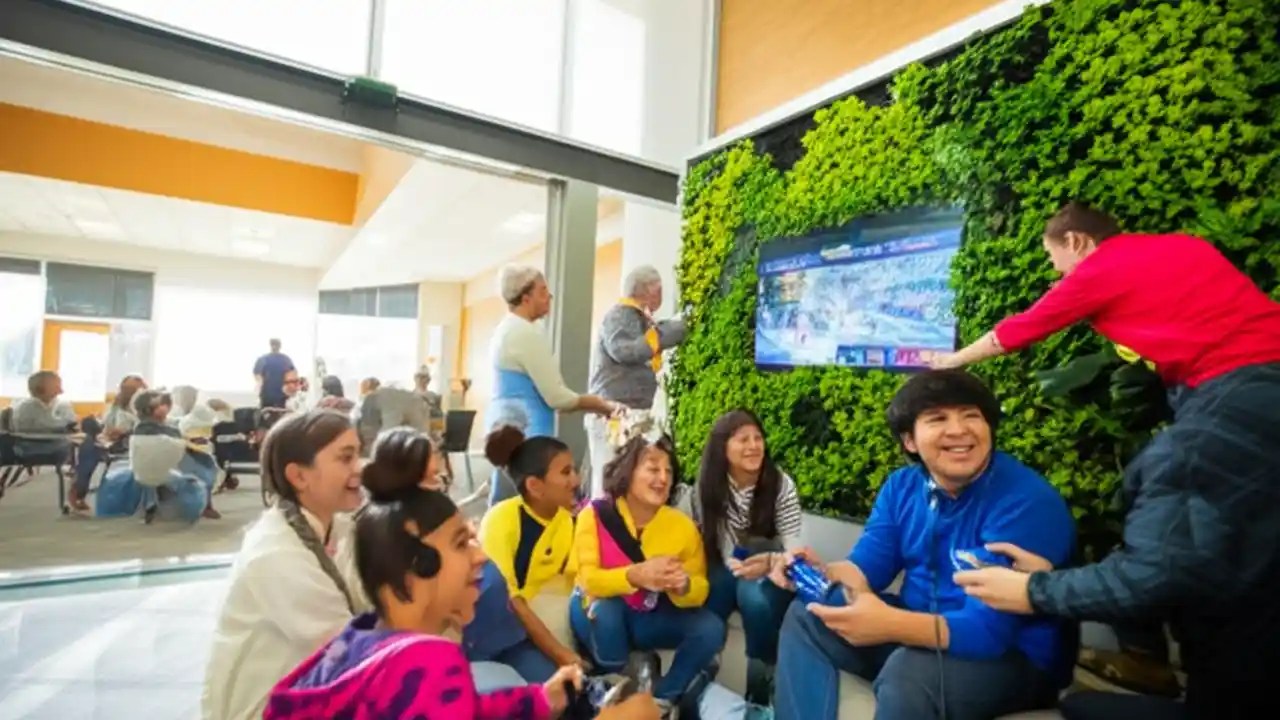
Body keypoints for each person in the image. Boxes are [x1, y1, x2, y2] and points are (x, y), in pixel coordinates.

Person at [932, 202, 1280, 719]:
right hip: (1247, 387)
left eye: (1055, 263)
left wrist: (949, 361)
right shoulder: (1182, 247)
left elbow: (1021, 329)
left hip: (1235, 391)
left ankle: (1154, 662)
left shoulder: (1102, 266)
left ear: (1076, 242)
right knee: (1163, 505)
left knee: (1157, 508)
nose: (1058, 277)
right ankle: (1150, 658)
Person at [772, 370, 1076, 720]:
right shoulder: (902, 486)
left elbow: (988, 632)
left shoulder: (1025, 501)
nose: (959, 430)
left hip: (1013, 657)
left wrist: (889, 623)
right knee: (807, 614)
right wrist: (818, 571)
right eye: (938, 418)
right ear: (909, 441)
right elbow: (866, 567)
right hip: (920, 626)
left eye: (971, 416)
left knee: (909, 674)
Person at [263, 470, 583, 719]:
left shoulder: (358, 637)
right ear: (417, 569)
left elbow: (456, 706)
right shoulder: (429, 662)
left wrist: (540, 700)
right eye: (461, 543)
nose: (481, 556)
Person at [569, 432, 726, 717]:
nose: (663, 478)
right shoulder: (594, 515)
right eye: (653, 468)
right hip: (597, 610)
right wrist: (635, 576)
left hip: (648, 613)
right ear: (628, 472)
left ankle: (663, 699)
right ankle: (615, 678)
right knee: (607, 607)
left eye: (668, 471)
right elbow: (589, 579)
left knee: (710, 628)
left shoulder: (682, 526)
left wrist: (683, 585)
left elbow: (700, 587)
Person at [691, 409, 800, 705]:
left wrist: (771, 562)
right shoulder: (709, 486)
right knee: (718, 586)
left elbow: (794, 547)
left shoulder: (780, 484)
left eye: (758, 438)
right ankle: (704, 666)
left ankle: (762, 681)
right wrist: (736, 567)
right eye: (743, 440)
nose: (754, 446)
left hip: (772, 564)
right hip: (728, 562)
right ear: (723, 448)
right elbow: (720, 544)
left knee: (754, 597)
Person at [488, 264, 619, 505]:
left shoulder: (508, 329)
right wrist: (599, 404)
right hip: (527, 434)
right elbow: (557, 398)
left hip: (509, 430)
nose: (549, 296)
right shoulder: (523, 333)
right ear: (526, 298)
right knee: (529, 508)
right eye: (542, 290)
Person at [475, 425, 583, 682]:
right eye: (566, 472)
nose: (576, 481)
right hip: (494, 631)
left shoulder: (566, 521)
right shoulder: (501, 520)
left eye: (574, 470)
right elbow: (511, 600)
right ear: (535, 485)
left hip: (529, 630)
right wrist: (561, 654)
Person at [586, 266, 687, 498]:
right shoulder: (620, 315)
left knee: (626, 483)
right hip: (613, 416)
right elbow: (625, 350)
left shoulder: (637, 318)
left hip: (629, 415)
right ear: (654, 289)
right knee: (609, 482)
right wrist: (674, 330)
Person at [69, 373, 145, 512]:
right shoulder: (115, 405)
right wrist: (108, 431)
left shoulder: (145, 405)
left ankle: (79, 486)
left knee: (90, 448)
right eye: (126, 388)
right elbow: (106, 422)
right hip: (108, 440)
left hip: (131, 441)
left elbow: (146, 426)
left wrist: (124, 431)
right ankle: (80, 486)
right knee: (89, 436)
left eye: (133, 389)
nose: (128, 392)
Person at [253, 338, 295, 409]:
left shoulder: (286, 360)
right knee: (269, 414)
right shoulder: (264, 359)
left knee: (278, 415)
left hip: (281, 395)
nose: (274, 346)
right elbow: (258, 376)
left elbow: (292, 376)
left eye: (276, 344)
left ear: (279, 346)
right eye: (273, 344)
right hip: (268, 394)